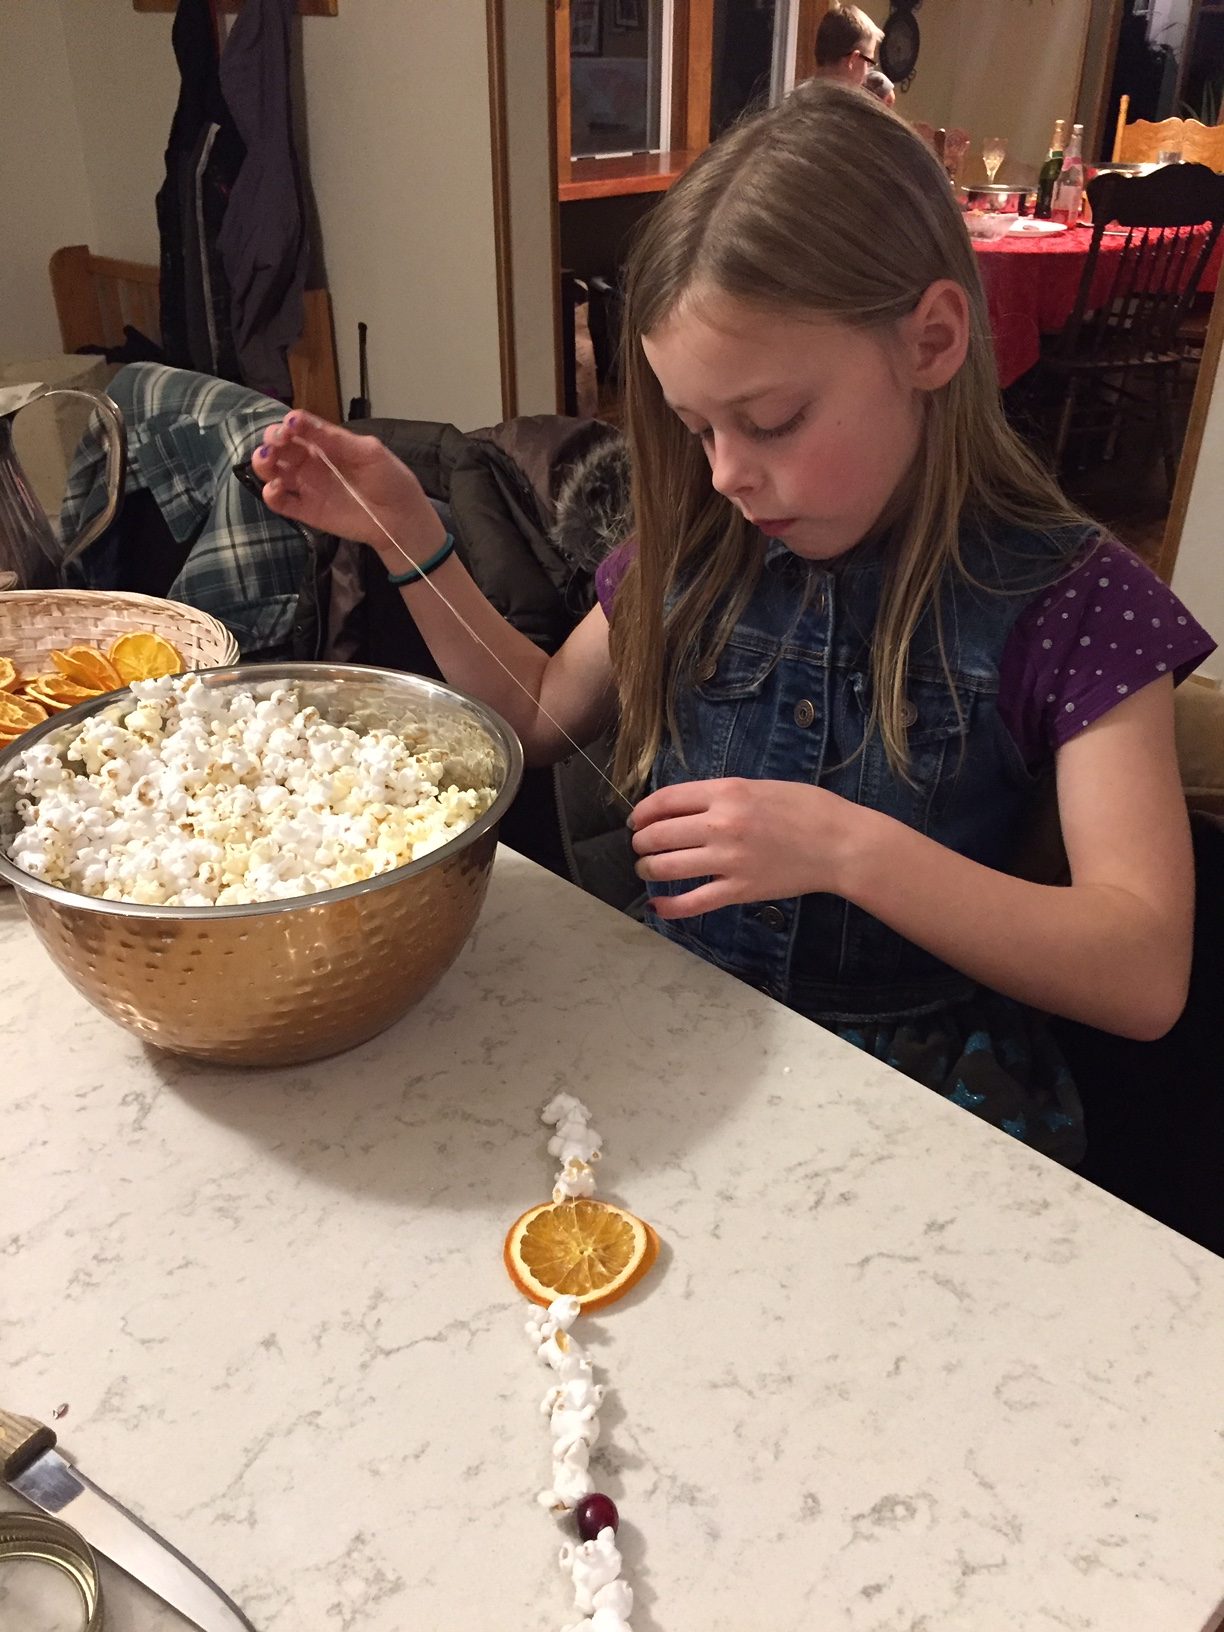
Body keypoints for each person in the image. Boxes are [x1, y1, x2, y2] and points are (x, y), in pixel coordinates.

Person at [253, 81, 1214, 1163]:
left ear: (934, 340)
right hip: (679, 1047)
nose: (727, 474)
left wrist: (844, 847)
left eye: (770, 421)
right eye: (697, 427)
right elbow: (525, 717)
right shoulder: (700, 550)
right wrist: (403, 536)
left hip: (928, 1109)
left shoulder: (1080, 606)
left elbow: (1141, 971)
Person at [813, 4, 883, 87]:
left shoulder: (795, 96)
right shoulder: (849, 100)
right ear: (853, 60)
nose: (868, 73)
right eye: (869, 63)